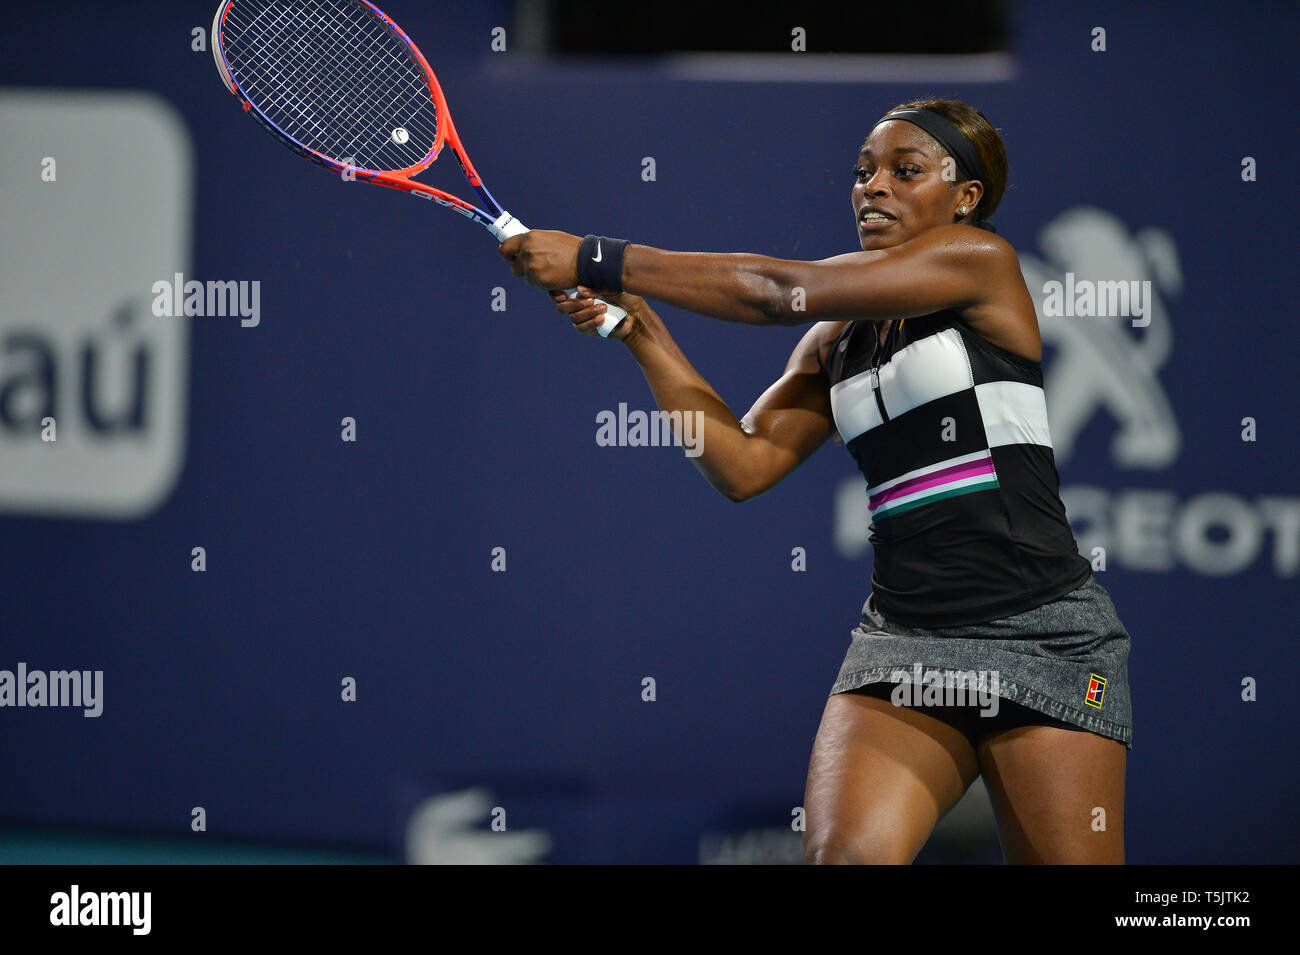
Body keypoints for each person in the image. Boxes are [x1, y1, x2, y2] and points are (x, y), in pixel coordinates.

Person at [500, 98, 1132, 865]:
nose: (873, 188)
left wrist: (596, 257)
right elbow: (742, 462)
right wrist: (641, 329)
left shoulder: (979, 263)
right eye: (862, 173)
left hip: (1044, 632)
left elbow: (771, 289)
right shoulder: (836, 337)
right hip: (904, 637)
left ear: (965, 196)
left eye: (905, 171)